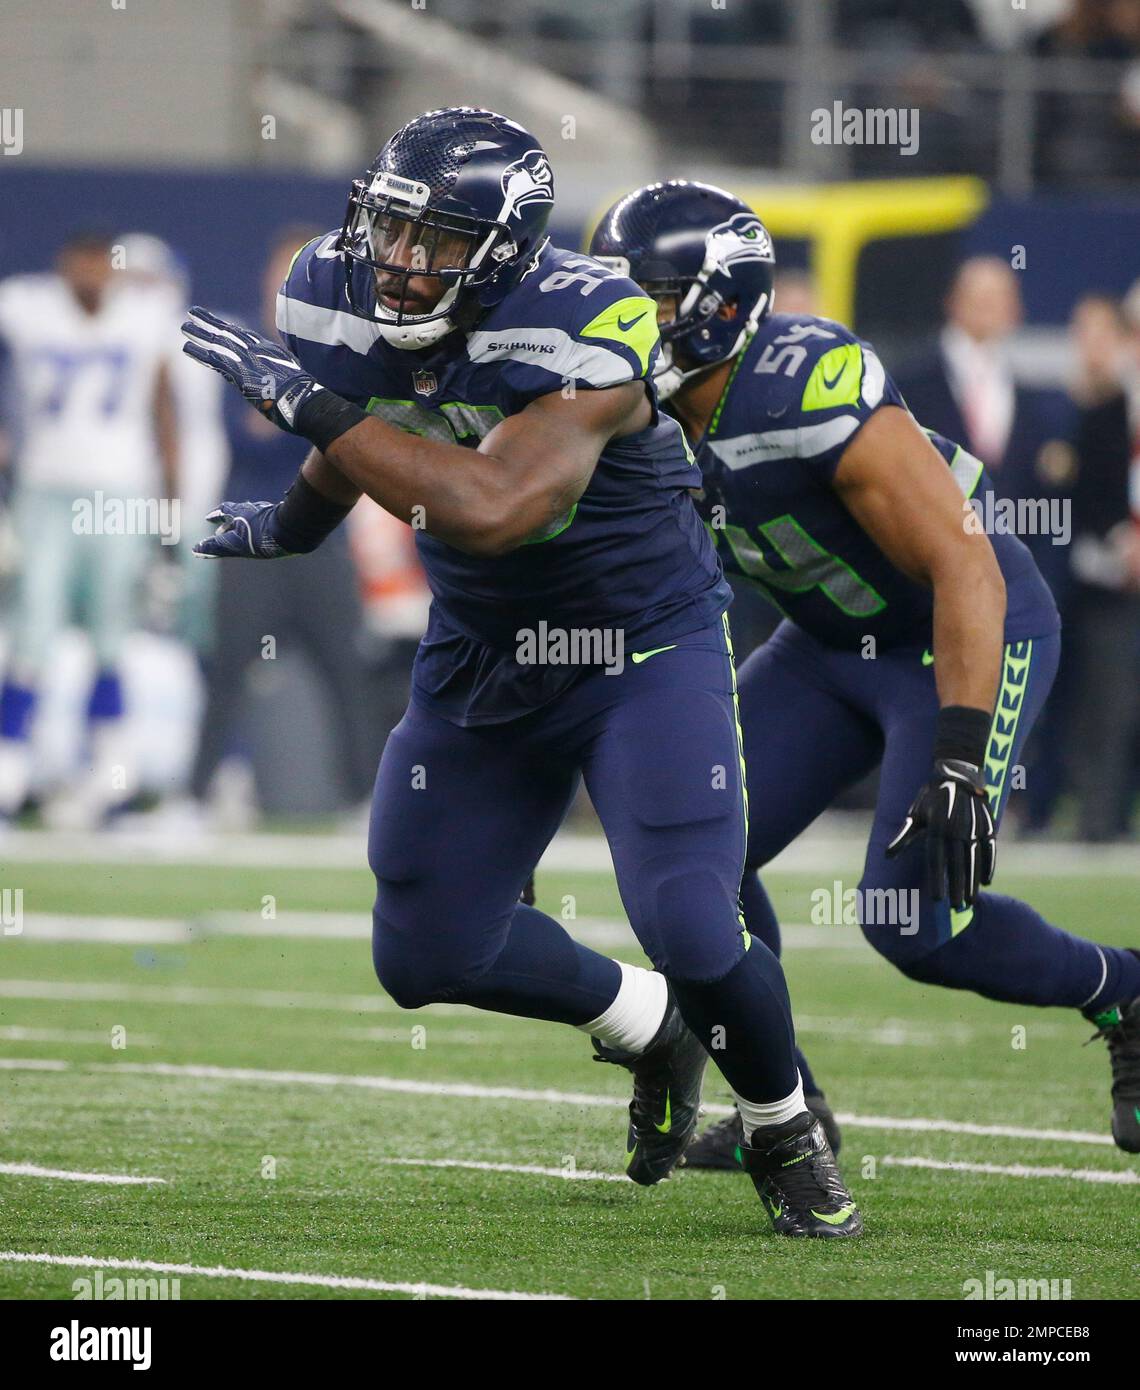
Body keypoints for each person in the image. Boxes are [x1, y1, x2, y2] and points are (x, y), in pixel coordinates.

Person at [177, 108, 862, 1238]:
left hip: (638, 642)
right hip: (485, 645)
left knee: (692, 919)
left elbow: (495, 506)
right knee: (427, 948)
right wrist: (299, 521)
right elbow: (380, 416)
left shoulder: (588, 319)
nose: (398, 261)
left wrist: (309, 405)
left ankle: (787, 1125)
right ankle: (652, 1025)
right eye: (392, 227)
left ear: (501, 252)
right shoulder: (334, 288)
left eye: (434, 241)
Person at [587, 180, 1140, 1164]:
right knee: (694, 854)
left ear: (717, 304)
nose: (625, 325)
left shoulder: (804, 380)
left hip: (965, 625)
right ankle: (787, 1099)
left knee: (915, 925)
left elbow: (964, 561)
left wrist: (963, 758)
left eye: (651, 303)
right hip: (827, 645)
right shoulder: (633, 415)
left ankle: (1124, 987)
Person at [0, 230, 179, 827]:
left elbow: (163, 409)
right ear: (62, 265)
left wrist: (169, 506)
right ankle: (10, 774)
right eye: (81, 264)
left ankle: (109, 779)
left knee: (112, 635)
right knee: (32, 635)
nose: (91, 276)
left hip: (121, 493)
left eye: (102, 265)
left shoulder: (142, 315)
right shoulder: (28, 306)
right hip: (45, 491)